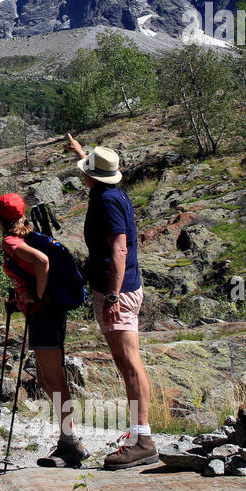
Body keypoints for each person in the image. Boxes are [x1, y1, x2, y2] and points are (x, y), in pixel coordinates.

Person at [65, 134, 159, 470]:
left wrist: (114, 295)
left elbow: (120, 248)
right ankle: (138, 435)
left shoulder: (106, 201)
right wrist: (80, 152)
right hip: (120, 286)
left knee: (129, 363)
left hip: (117, 289)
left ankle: (142, 439)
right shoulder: (109, 192)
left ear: (93, 177)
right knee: (126, 362)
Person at [0, 192, 87, 468]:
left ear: (0, 218)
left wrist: (37, 296)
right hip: (46, 313)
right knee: (47, 378)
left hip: (44, 314)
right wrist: (21, 298)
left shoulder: (11, 241)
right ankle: (68, 439)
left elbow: (42, 263)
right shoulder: (29, 233)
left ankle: (70, 442)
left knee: (54, 380)